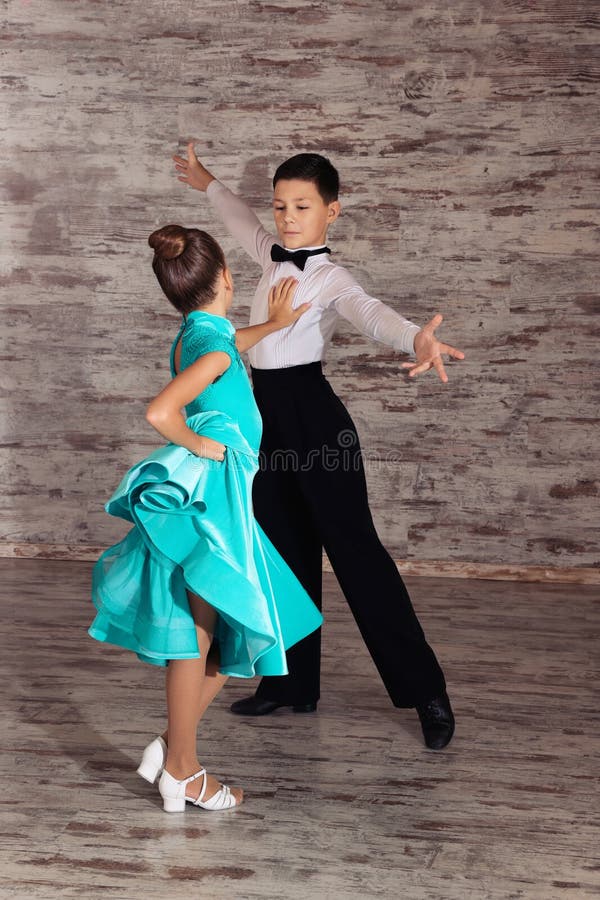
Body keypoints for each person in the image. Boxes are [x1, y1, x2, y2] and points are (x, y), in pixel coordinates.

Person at [173, 144, 465, 750]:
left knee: (357, 557)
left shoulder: (331, 276)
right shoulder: (268, 251)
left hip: (315, 421)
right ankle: (290, 684)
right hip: (263, 418)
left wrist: (416, 339)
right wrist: (208, 182)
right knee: (282, 553)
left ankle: (426, 690)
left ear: (332, 211)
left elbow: (370, 313)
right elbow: (240, 222)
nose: (286, 217)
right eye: (280, 205)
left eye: (301, 206)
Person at [88, 223, 323, 812]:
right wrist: (199, 444)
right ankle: (184, 770)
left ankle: (173, 749)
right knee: (208, 629)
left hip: (224, 496)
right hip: (214, 498)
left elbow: (225, 343)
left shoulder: (197, 335)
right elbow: (161, 410)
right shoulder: (213, 347)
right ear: (225, 276)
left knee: (250, 619)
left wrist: (271, 327)